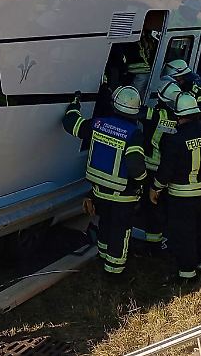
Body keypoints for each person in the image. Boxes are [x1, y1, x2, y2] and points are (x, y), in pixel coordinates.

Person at [62, 86, 148, 275]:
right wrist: (142, 180)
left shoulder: (99, 124)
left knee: (105, 223)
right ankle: (114, 271)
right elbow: (135, 166)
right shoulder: (133, 133)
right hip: (123, 195)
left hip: (99, 192)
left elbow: (71, 124)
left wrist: (74, 105)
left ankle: (102, 255)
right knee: (120, 230)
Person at [152, 92, 201, 283]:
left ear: (179, 115)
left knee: (183, 233)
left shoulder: (175, 139)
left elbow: (166, 169)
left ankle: (187, 273)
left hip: (182, 195)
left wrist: (155, 187)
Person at [133, 80, 181, 249]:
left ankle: (153, 243)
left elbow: (134, 111)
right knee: (163, 203)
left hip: (151, 167)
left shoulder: (154, 114)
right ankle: (163, 236)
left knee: (151, 204)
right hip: (168, 169)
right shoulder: (180, 119)